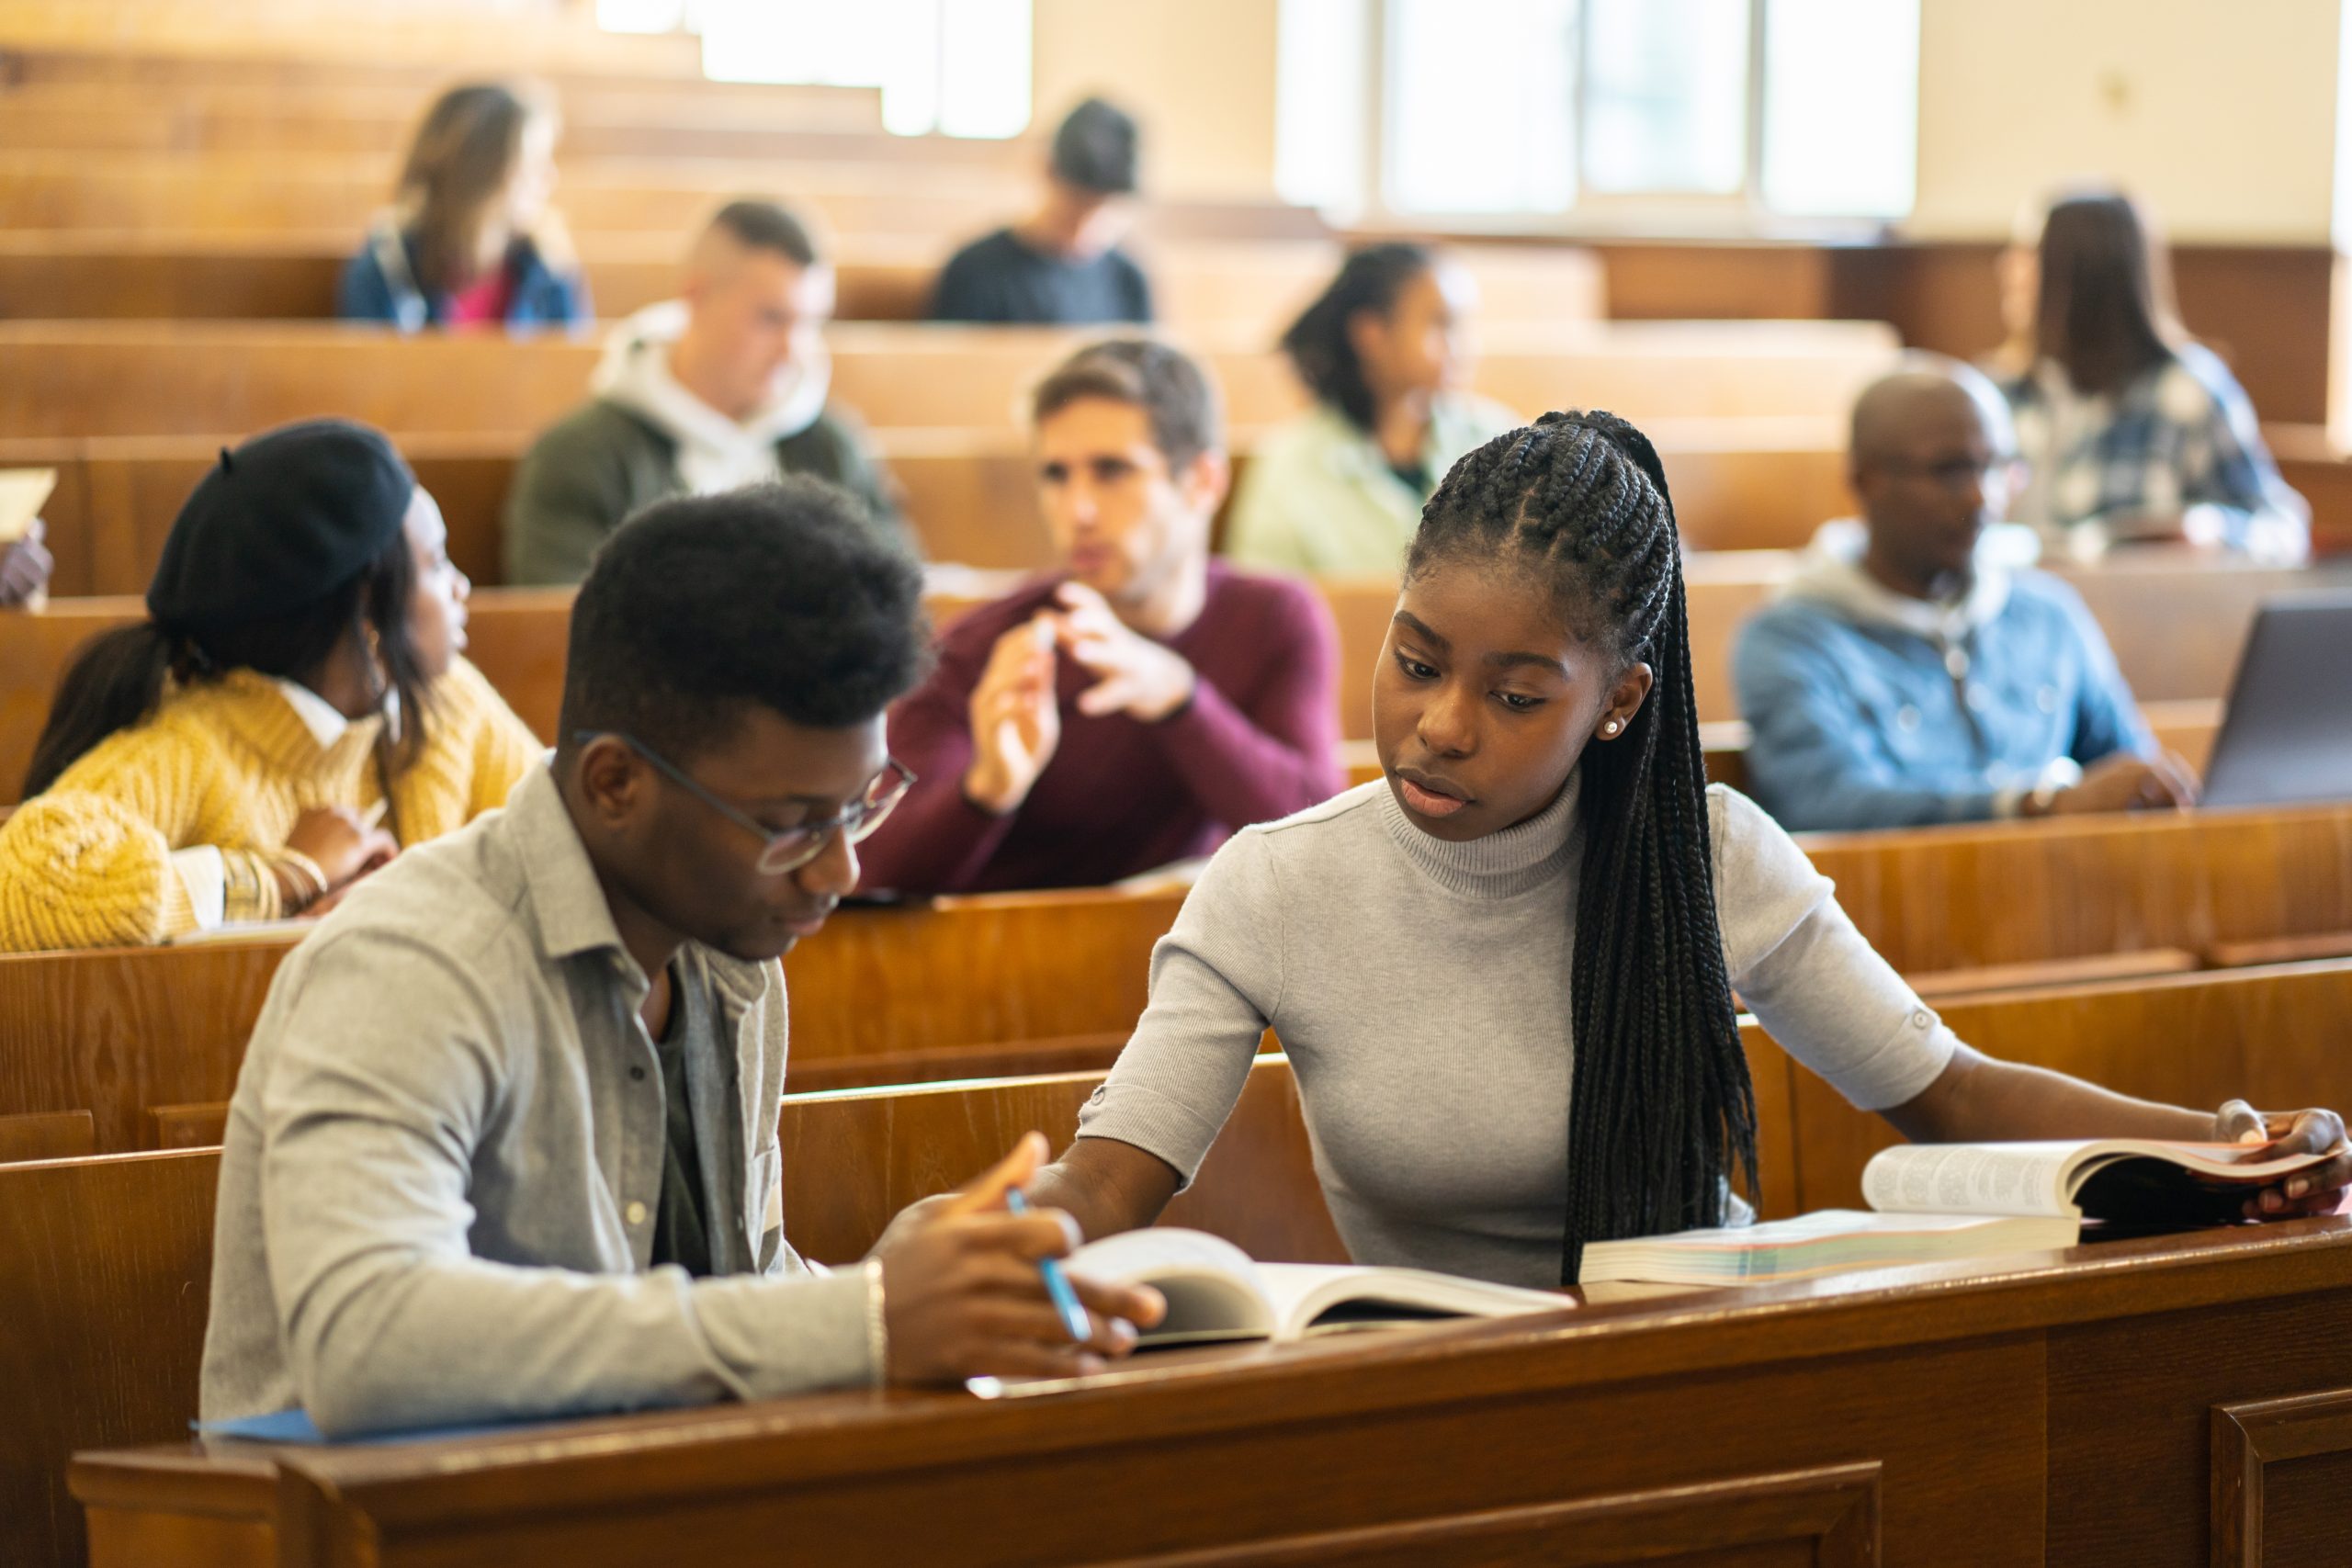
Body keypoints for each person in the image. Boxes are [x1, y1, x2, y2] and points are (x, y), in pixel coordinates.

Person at [1011, 412, 2349, 1289]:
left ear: (1620, 701)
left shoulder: (1706, 853)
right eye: (1415, 661)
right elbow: (1112, 1173)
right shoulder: (1277, 883)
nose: (1441, 725)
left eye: (1518, 693)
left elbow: (1947, 1091)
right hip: (1444, 1399)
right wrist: (1007, 1234)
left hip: (1703, 1356)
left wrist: (2236, 1144)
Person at [200, 481, 1163, 1438]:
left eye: (860, 804)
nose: (841, 866)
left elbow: (724, 1301)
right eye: (790, 826)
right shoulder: (412, 963)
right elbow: (368, 1346)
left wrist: (902, 1287)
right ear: (614, 783)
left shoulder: (731, 954)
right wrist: (858, 1319)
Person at [0, 420, 538, 953]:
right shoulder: (189, 751)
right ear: (368, 606)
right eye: (438, 561)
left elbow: (565, 846)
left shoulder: (446, 701)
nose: (461, 586)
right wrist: (278, 879)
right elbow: (24, 884)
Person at [857, 340, 1341, 895]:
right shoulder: (979, 650)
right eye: (1057, 475)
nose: (1077, 511)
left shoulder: (1273, 617)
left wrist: (1178, 699)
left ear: (1203, 482)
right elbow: (875, 877)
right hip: (992, 969)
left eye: (1112, 471)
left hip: (1179, 961)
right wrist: (987, 788)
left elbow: (1322, 846)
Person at [1732, 358, 2199, 832]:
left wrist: (2151, 788)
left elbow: (2127, 770)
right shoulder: (1791, 639)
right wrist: (2035, 806)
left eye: (1996, 467)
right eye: (1951, 471)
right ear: (1867, 480)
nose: (1982, 498)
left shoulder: (2047, 617)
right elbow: (1827, 804)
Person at [504, 198, 899, 585]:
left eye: (810, 323)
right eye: (771, 318)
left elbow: (897, 596)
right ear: (696, 295)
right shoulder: (581, 455)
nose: (794, 351)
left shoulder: (833, 444)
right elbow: (561, 626)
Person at [1991, 189, 2307, 564]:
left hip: (2143, 616)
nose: (2007, 268)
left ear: (2081, 272)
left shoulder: (2186, 392)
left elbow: (2284, 530)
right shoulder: (1998, 395)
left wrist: (2211, 529)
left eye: (2029, 253)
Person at [1224, 243, 1518, 578]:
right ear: (1371, 334)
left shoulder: (1498, 438)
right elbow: (1266, 602)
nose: (1462, 347)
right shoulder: (1289, 463)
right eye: (1440, 325)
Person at [338, 81, 589, 333]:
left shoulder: (548, 267)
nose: (549, 177)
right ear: (480, 173)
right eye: (533, 162)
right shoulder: (387, 264)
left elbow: (575, 363)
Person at [929, 97, 1153, 326]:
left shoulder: (1128, 279)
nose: (1086, 227)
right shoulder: (974, 271)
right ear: (1047, 170)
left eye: (1106, 211)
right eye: (1077, 204)